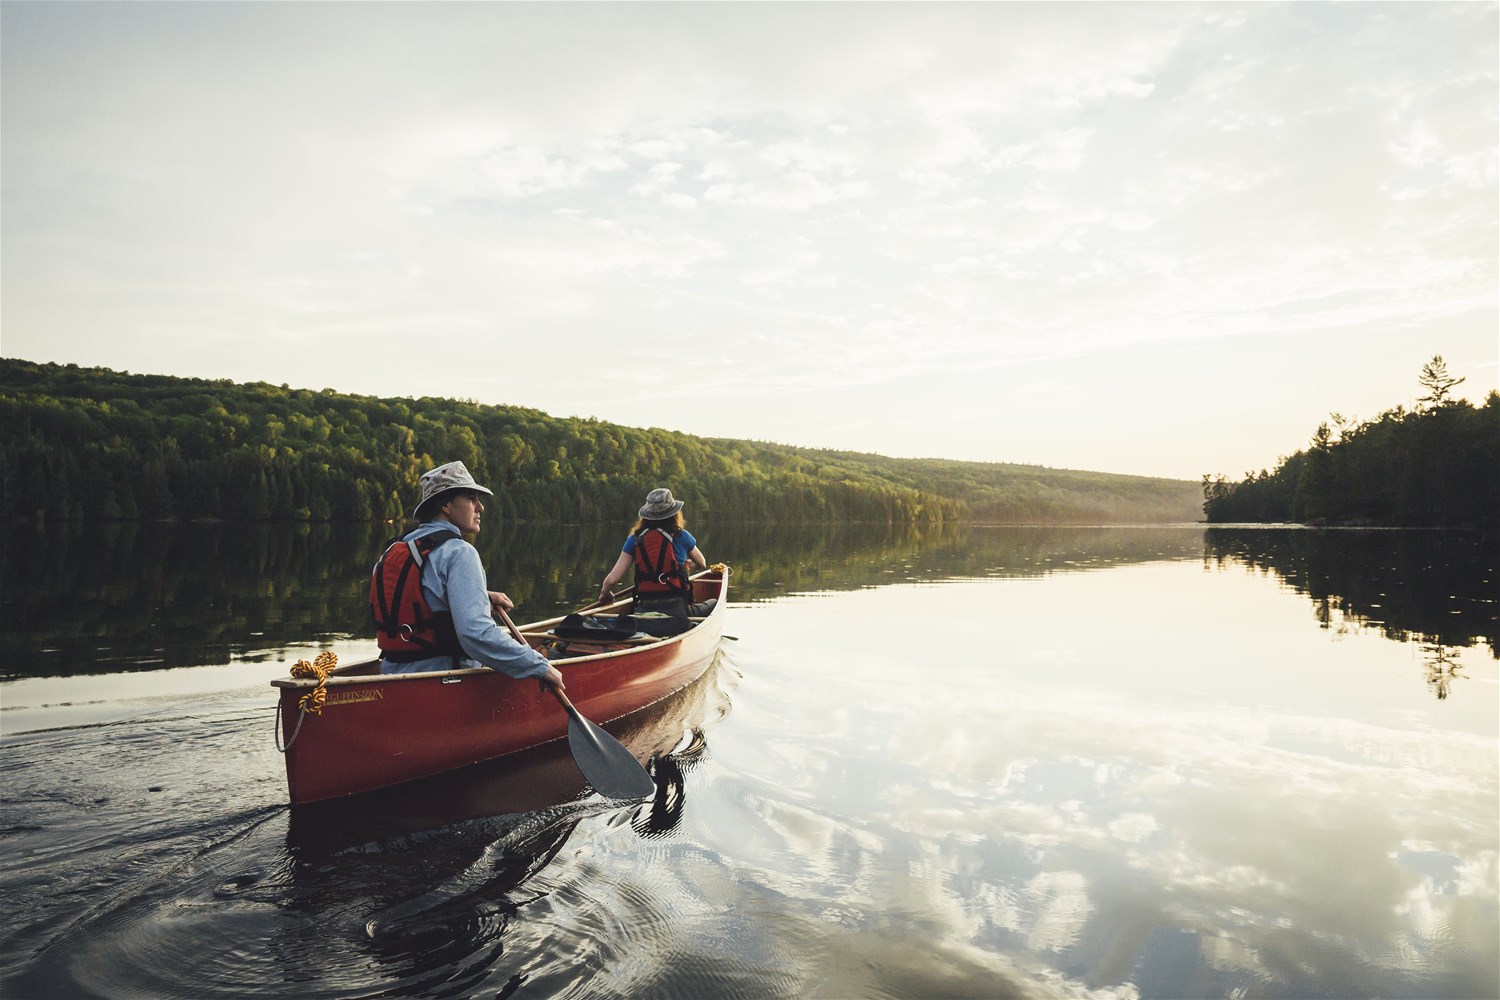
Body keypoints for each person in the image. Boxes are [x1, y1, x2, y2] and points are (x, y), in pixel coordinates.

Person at [370, 460, 565, 691]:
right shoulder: (459, 552)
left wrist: (480, 595)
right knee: (543, 659)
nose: (480, 507)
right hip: (440, 681)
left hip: (390, 675)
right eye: (471, 498)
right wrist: (540, 666)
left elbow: (420, 595)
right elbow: (476, 635)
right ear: (446, 505)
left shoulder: (393, 551)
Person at [598, 487, 717, 618]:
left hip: (643, 612)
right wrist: (688, 564)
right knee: (714, 603)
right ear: (674, 513)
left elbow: (612, 580)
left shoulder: (635, 539)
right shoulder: (681, 536)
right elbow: (702, 563)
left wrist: (605, 593)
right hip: (678, 612)